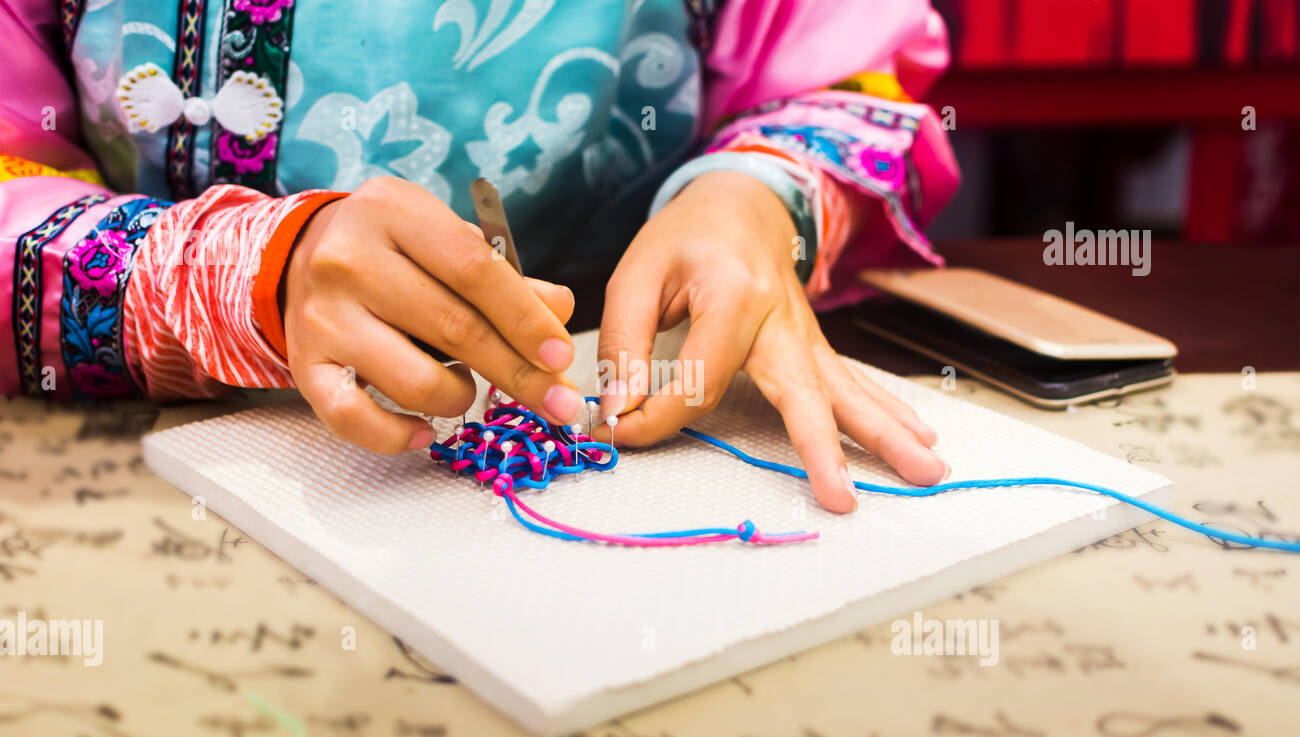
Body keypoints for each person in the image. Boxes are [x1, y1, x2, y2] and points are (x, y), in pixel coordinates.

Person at [2, 0, 959, 512]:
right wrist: (237, 273)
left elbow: (849, 69)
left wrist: (757, 194)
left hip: (624, 382)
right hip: (148, 467)